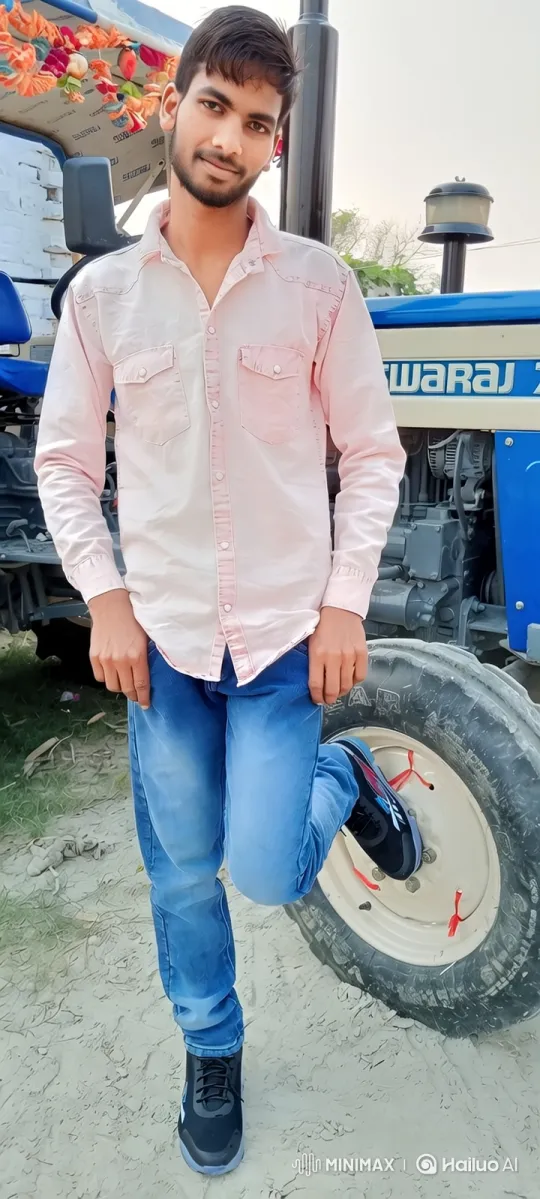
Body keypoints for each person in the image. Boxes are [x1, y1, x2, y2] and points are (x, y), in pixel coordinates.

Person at [35, 5, 422, 1177]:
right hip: (161, 643)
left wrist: (347, 601)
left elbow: (374, 451)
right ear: (176, 105)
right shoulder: (103, 297)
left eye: (258, 122)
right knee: (183, 867)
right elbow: (62, 461)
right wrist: (101, 596)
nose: (230, 135)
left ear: (275, 143)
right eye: (214, 105)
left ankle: (339, 772)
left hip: (279, 640)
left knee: (263, 866)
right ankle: (212, 1043)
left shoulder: (317, 285)